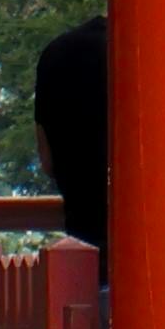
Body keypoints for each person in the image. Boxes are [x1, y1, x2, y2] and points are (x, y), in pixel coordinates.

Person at [34, 13, 109, 260]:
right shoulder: (156, 55)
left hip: (82, 255)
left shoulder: (56, 55)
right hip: (158, 262)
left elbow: (47, 161)